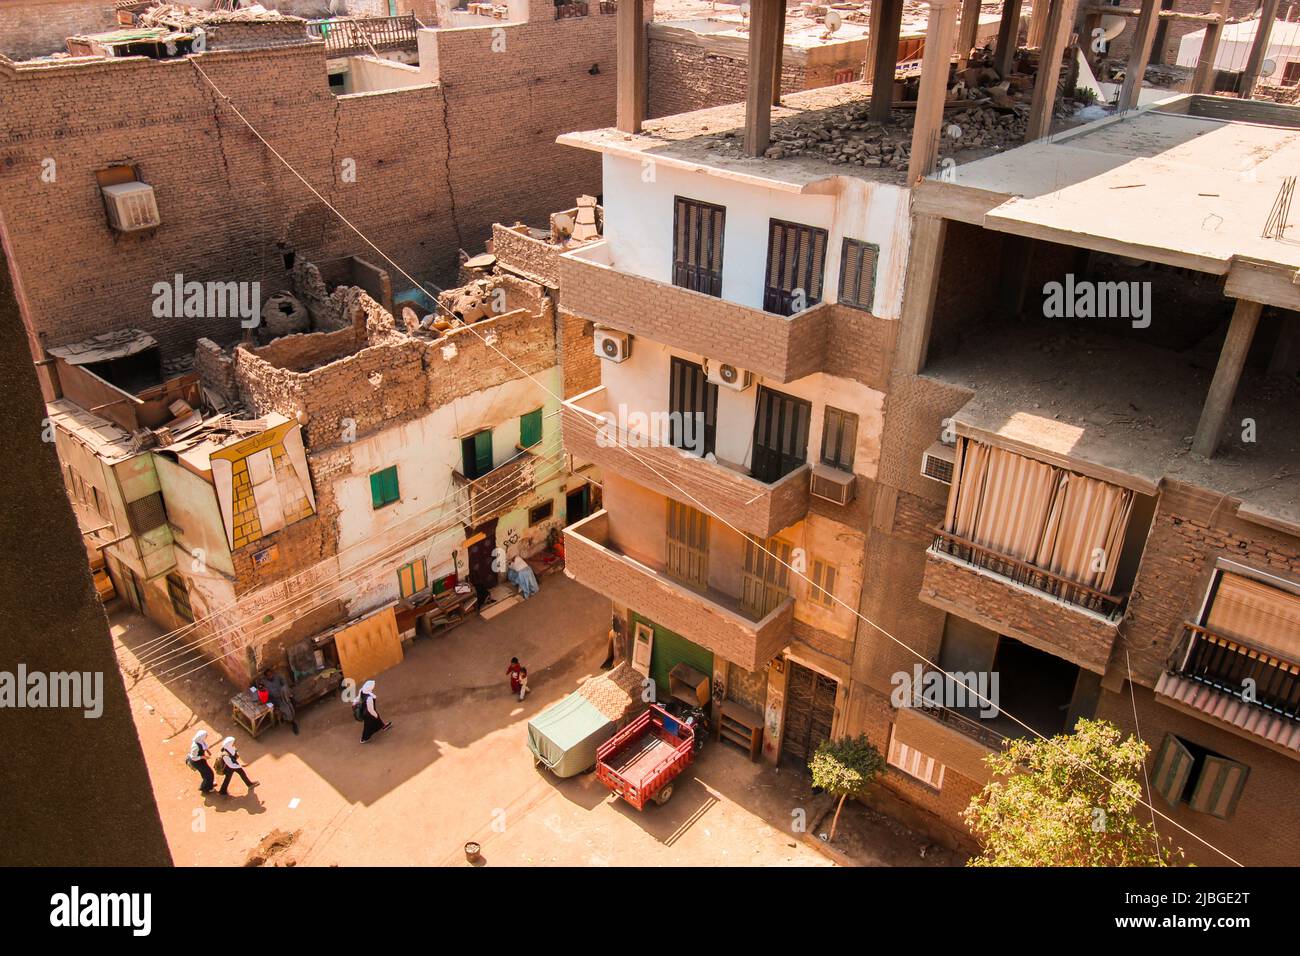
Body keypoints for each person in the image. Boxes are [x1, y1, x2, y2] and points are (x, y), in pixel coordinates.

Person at [261, 668, 299, 735]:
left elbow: (283, 681)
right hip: (276, 699)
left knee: (285, 690)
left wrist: (283, 686)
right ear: (266, 677)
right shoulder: (265, 683)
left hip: (283, 695)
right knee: (286, 707)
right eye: (268, 675)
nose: (271, 676)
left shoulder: (277, 677)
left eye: (271, 674)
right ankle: (293, 723)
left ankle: (290, 699)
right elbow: (267, 694)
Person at [186, 729, 215, 794]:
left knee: (205, 774)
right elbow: (193, 757)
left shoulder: (200, 741)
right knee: (210, 774)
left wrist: (208, 752)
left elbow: (204, 746)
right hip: (197, 762)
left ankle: (209, 783)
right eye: (205, 736)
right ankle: (205, 788)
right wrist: (203, 757)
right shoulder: (195, 747)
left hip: (201, 761)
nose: (206, 736)